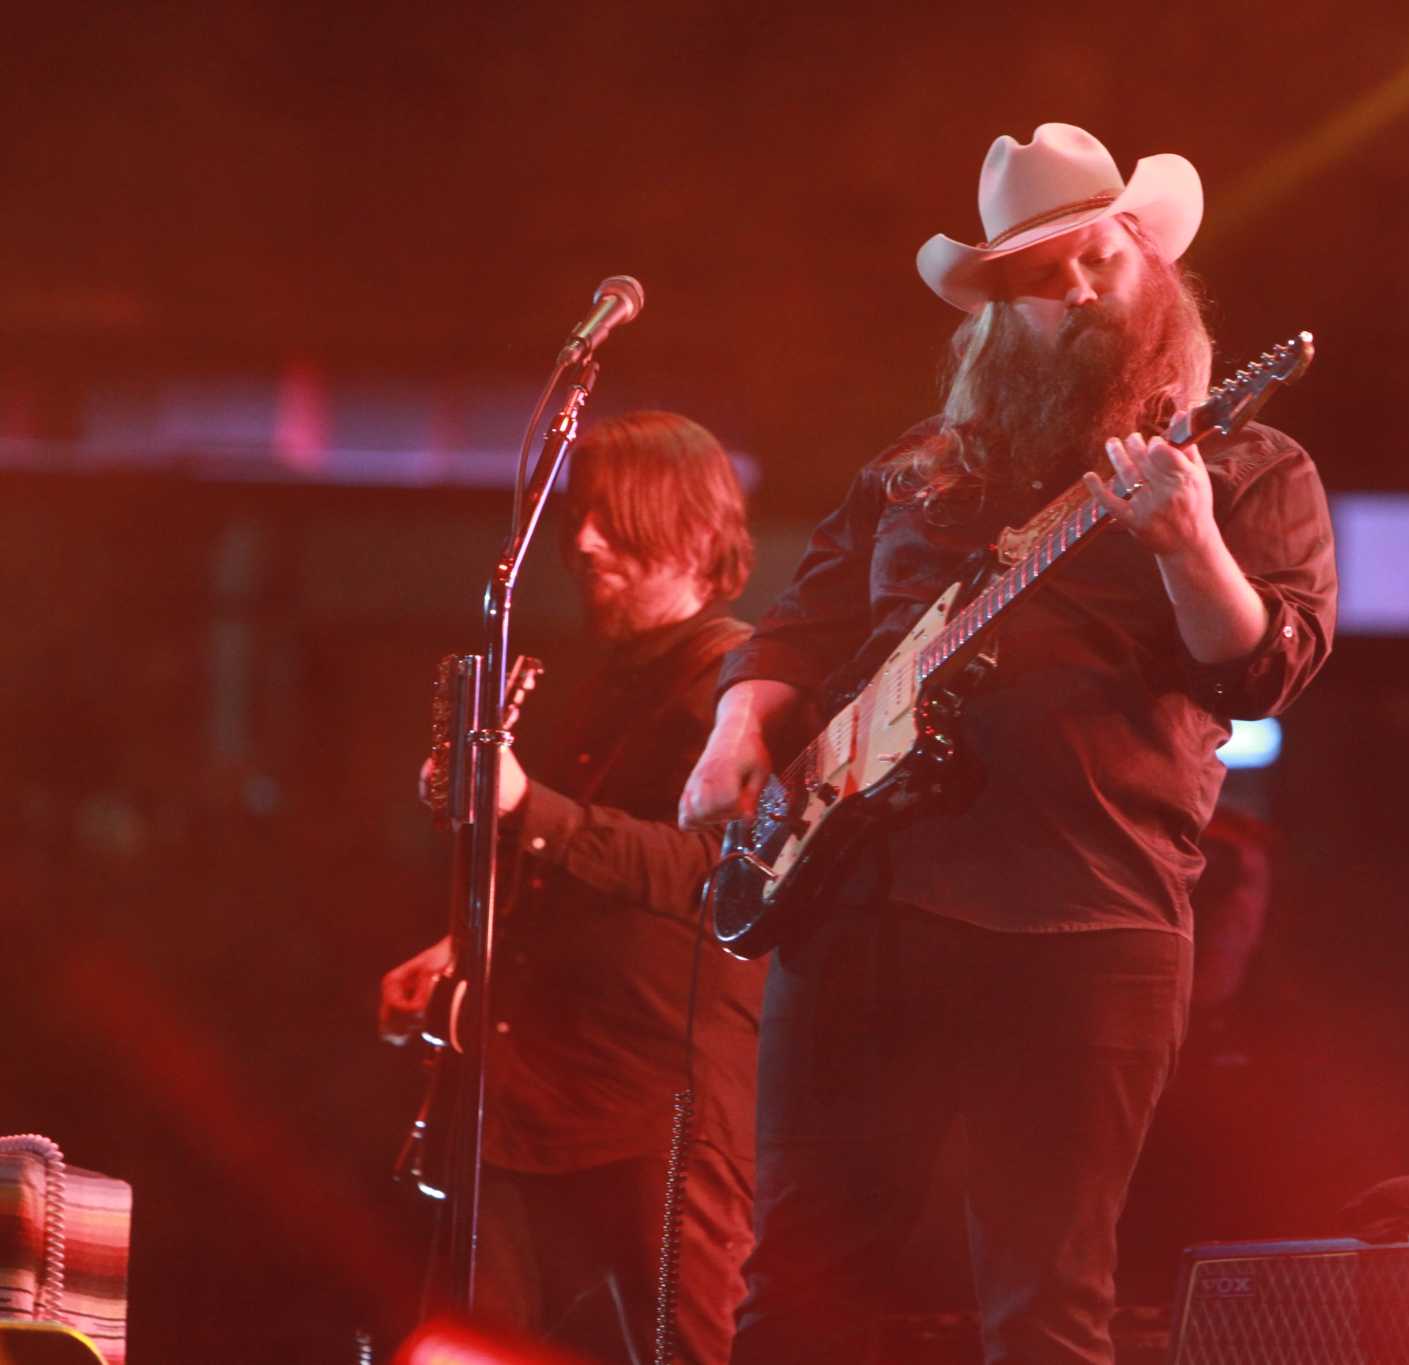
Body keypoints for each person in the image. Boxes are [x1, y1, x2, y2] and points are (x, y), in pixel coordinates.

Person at [680, 124, 1339, 1364]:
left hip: (1086, 926)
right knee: (802, 1291)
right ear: (998, 312)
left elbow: (1264, 670)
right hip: (863, 912)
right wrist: (734, 727)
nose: (1080, 292)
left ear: (1147, 258)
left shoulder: (1247, 463)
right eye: (1044, 278)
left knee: (1043, 1306)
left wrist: (1188, 544)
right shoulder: (918, 472)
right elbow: (804, 622)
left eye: (1097, 261)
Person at [379, 411, 766, 1365]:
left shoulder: (741, 685)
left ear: (693, 532)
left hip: (653, 1108)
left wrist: (526, 807)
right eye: (578, 517)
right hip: (530, 1101)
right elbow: (576, 876)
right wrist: (469, 946)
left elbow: (716, 874)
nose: (583, 542)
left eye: (615, 519)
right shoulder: (606, 680)